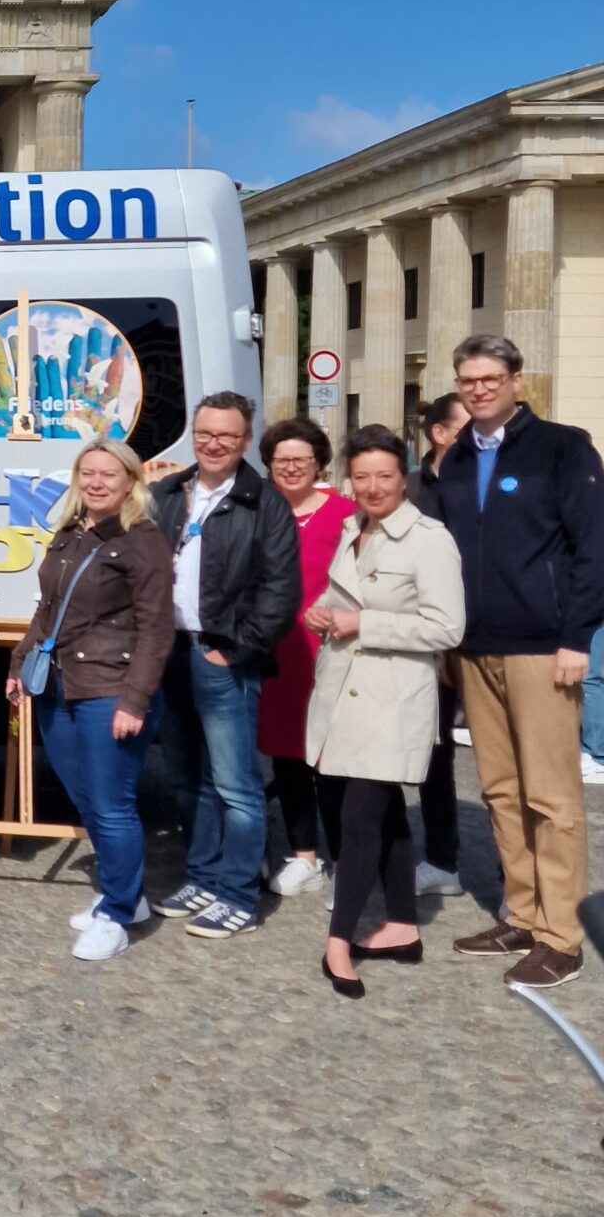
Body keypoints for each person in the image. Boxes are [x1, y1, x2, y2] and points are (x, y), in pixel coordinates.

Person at [438, 333, 604, 988]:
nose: (478, 389)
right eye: (468, 380)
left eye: (489, 378)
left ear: (515, 381)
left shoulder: (563, 448)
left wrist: (576, 638)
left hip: (543, 646)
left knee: (551, 796)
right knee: (501, 791)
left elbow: (594, 550)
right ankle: (525, 914)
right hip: (475, 647)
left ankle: (562, 936)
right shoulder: (453, 461)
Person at [306, 427, 466, 997]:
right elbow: (345, 600)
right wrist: (322, 612)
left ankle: (338, 942)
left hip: (391, 700)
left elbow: (447, 627)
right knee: (389, 814)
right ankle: (402, 923)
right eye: (363, 475)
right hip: (341, 693)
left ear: (404, 478)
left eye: (385, 475)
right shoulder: (353, 528)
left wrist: (363, 625)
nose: (373, 486)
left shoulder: (430, 539)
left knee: (360, 820)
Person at [6, 439, 174, 963]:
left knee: (113, 805)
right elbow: (46, 610)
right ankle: (130, 894)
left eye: (109, 474)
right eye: (89, 473)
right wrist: (18, 666)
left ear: (130, 482)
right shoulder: (71, 533)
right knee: (85, 797)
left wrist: (135, 700)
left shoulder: (143, 542)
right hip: (58, 684)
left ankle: (119, 913)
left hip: (111, 688)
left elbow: (156, 630)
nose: (97, 482)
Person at [150, 391, 301, 941]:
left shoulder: (266, 503)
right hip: (169, 652)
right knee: (187, 779)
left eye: (227, 436)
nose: (214, 444)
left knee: (235, 783)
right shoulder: (168, 492)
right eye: (205, 433)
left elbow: (282, 592)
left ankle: (238, 894)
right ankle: (203, 876)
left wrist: (234, 649)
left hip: (223, 656)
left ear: (244, 440)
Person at [256, 418, 349, 898]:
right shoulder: (258, 510)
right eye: (281, 461)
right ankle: (304, 855)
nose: (291, 468)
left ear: (318, 464)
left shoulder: (348, 514)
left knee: (334, 762)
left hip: (332, 651)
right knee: (288, 758)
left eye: (301, 460)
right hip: (277, 651)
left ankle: (343, 863)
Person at [409, 391, 469, 888]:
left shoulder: (483, 482)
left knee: (501, 760)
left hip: (484, 638)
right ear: (440, 433)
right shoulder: (409, 489)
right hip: (425, 640)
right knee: (434, 753)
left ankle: (516, 877)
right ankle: (442, 858)